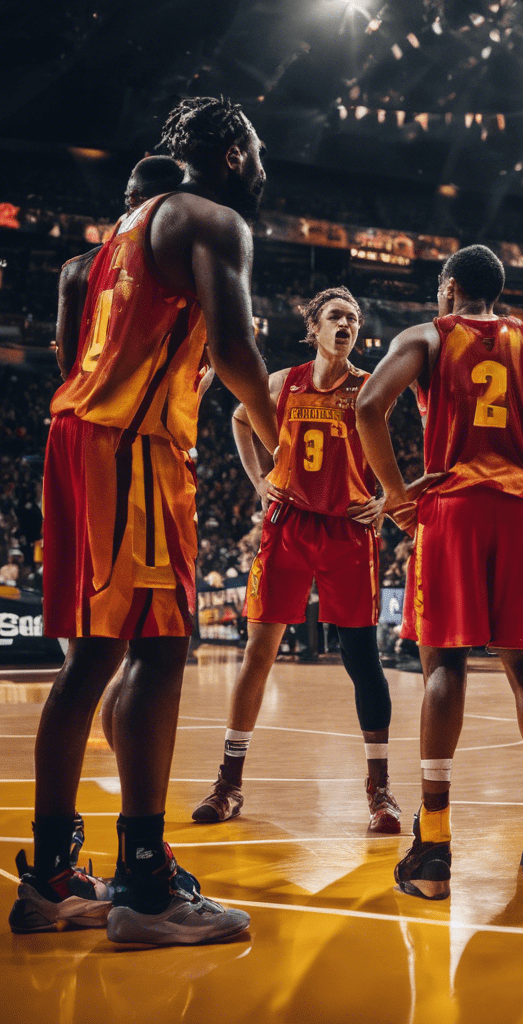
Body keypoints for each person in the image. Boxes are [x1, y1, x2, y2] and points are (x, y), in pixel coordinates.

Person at [9, 96, 278, 946]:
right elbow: (236, 350)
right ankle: (147, 888)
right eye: (258, 151)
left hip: (78, 433)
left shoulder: (110, 244)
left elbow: (79, 353)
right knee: (161, 653)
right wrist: (283, 446)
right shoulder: (213, 219)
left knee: (95, 659)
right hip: (133, 445)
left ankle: (56, 876)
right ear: (233, 152)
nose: (264, 166)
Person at [356, 244, 523, 900]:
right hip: (522, 509)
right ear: (498, 294)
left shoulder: (429, 337)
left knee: (444, 666)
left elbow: (367, 407)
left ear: (448, 289)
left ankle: (435, 847)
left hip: (453, 508)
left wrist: (396, 496)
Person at [190, 286, 401, 834]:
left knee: (362, 660)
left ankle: (379, 790)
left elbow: (393, 447)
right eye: (337, 316)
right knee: (258, 651)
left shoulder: (370, 386)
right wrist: (261, 480)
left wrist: (387, 496)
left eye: (354, 318)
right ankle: (229, 783)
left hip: (348, 530)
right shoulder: (283, 383)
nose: (347, 324)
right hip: (288, 527)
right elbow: (241, 418)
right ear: (315, 327)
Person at [55, 156, 185, 379]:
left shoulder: (74, 269)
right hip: (133, 410)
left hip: (78, 405)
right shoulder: (178, 275)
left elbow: (66, 362)